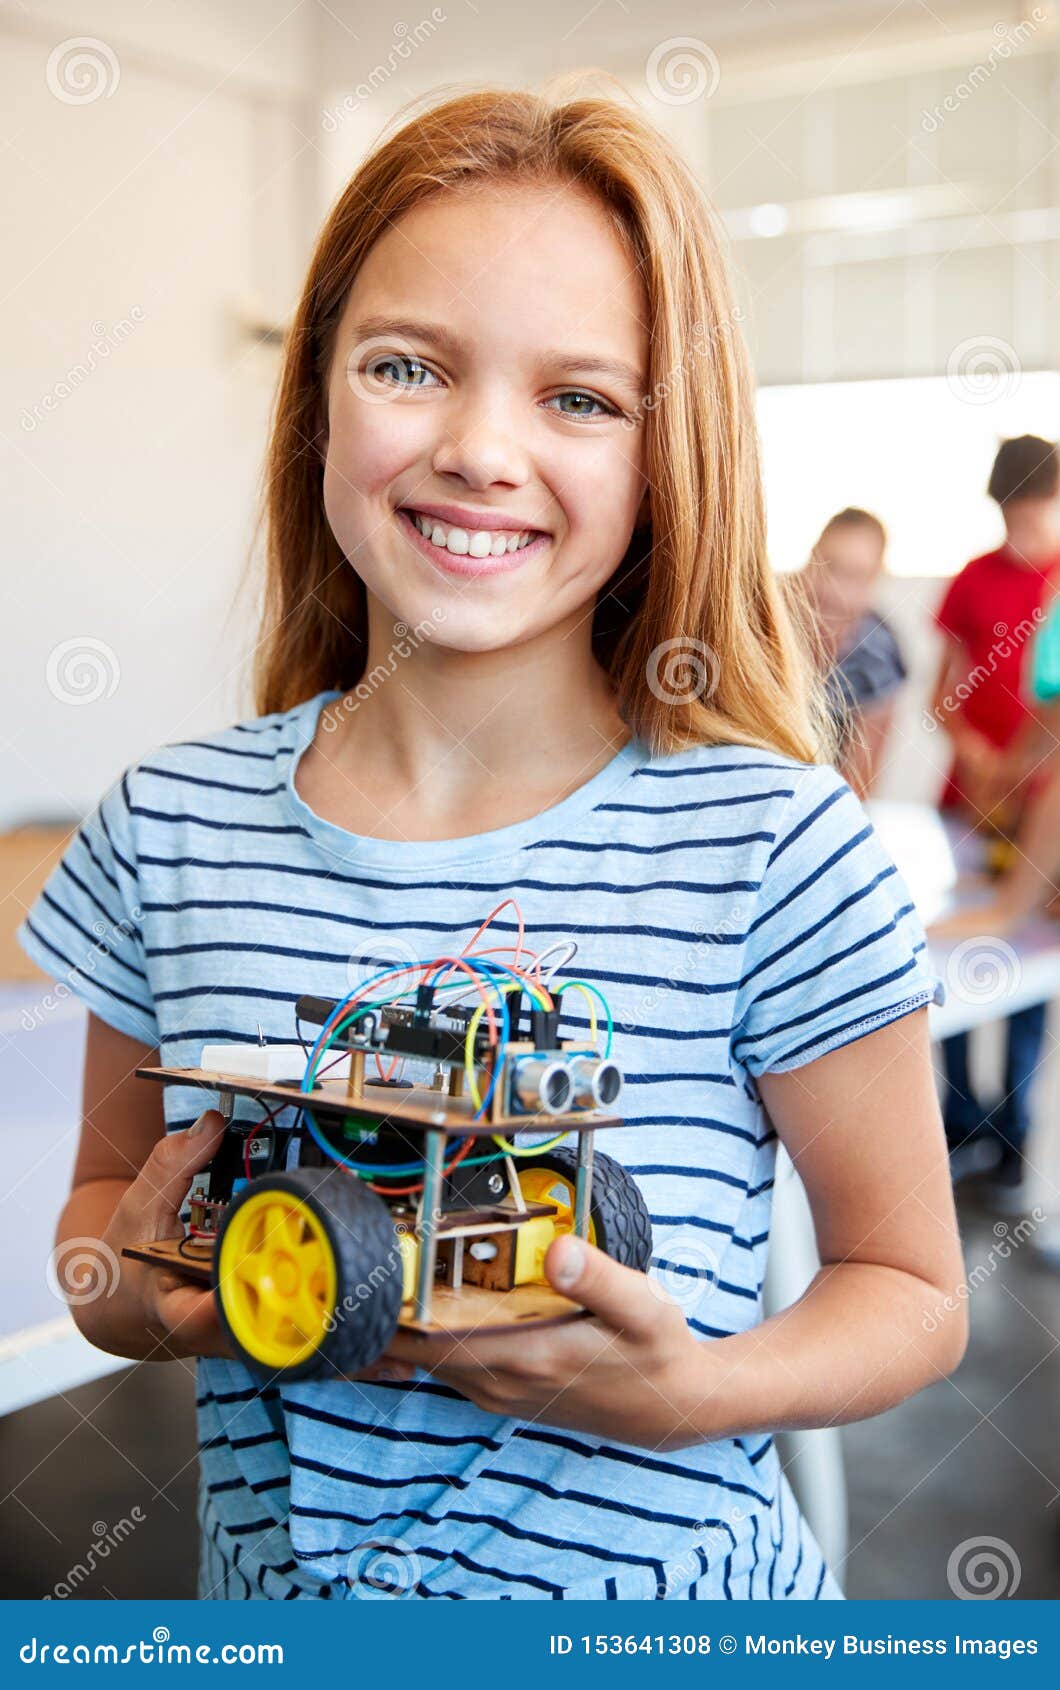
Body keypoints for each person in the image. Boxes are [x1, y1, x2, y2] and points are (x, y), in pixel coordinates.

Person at [18, 84, 965, 1603]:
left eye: (579, 398)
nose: (477, 448)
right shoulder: (171, 830)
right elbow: (98, 1234)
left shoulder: (772, 843)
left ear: (667, 453)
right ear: (318, 392)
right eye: (407, 366)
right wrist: (152, 1296)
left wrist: (689, 1392)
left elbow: (911, 1290)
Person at [927, 435, 1060, 1198]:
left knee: (1024, 968)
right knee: (962, 971)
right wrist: (983, 762)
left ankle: (1012, 1140)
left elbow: (1050, 723)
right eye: (1008, 516)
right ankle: (962, 1127)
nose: (1021, 531)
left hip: (1035, 810)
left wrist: (1024, 774)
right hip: (977, 803)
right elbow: (940, 697)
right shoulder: (976, 580)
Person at [797, 507, 906, 798]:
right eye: (828, 567)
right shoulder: (761, 628)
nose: (834, 593)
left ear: (874, 583)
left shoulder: (880, 656)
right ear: (809, 561)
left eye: (856, 576)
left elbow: (859, 785)